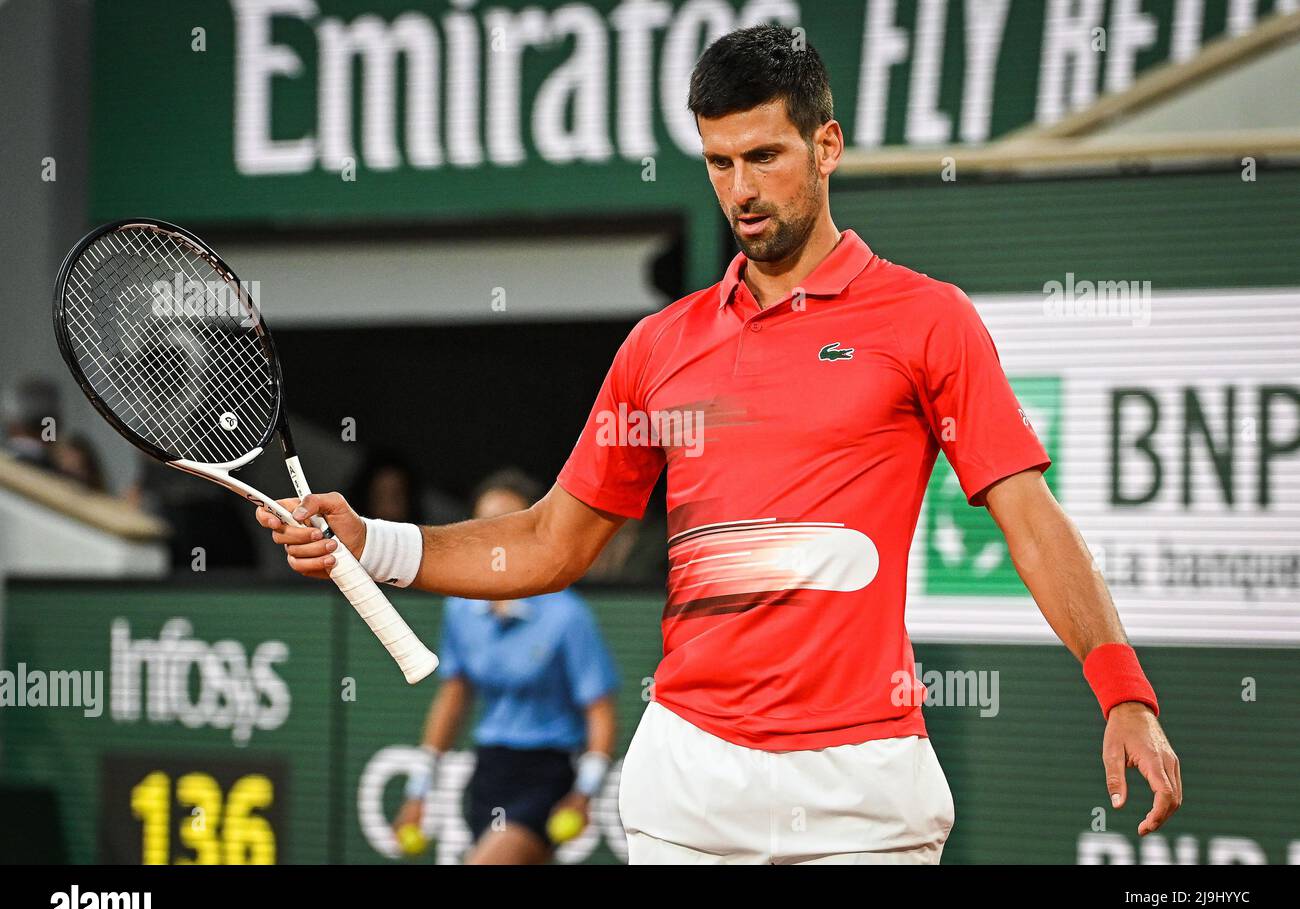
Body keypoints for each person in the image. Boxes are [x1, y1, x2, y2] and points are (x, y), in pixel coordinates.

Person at [255, 26, 1181, 865]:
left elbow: (1031, 518)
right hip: (689, 779)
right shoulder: (658, 347)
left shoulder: (929, 321)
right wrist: (371, 541)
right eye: (718, 161)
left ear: (827, 146)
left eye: (765, 156)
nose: (741, 188)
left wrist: (1123, 689)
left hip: (865, 785)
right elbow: (550, 541)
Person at [391, 469, 618, 865]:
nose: (493, 537)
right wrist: (418, 791)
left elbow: (600, 711)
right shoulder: (460, 610)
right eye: (483, 525)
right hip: (488, 773)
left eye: (506, 524)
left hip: (547, 775)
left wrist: (584, 792)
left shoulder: (567, 616)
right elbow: (453, 699)